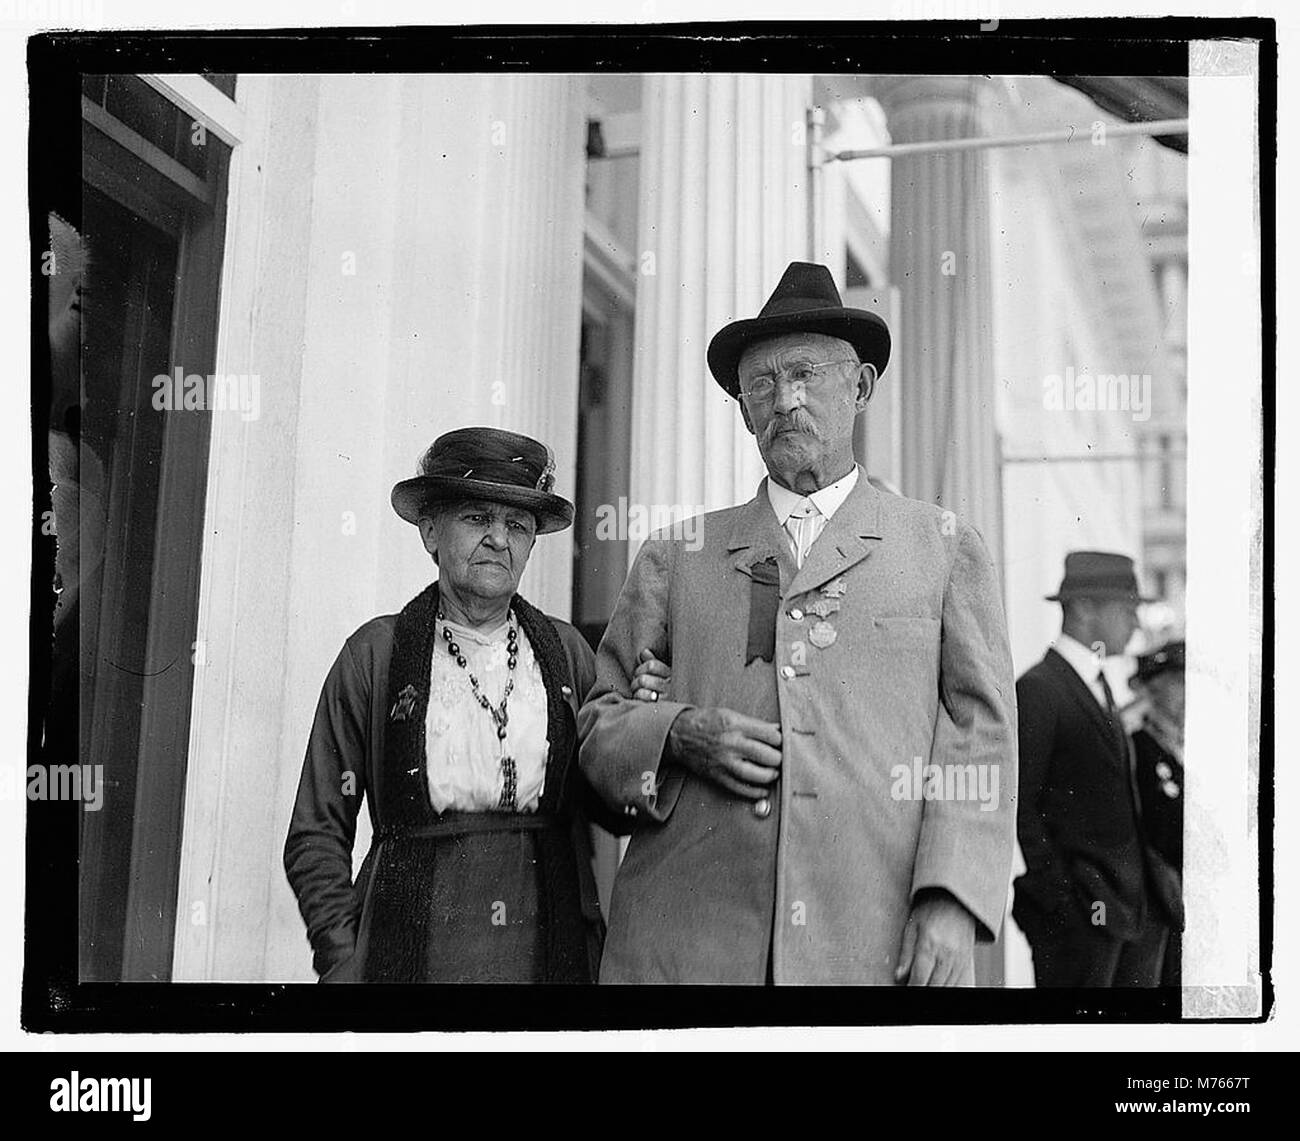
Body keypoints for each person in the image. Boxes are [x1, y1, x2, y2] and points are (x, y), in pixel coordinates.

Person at [577, 261, 1018, 985]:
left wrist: (950, 899)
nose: (785, 399)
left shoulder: (941, 547)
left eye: (807, 374)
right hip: (691, 949)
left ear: (862, 387)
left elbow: (983, 735)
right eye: (762, 385)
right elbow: (598, 728)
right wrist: (679, 732)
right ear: (746, 412)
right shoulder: (676, 556)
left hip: (875, 942)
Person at [284, 427, 627, 982]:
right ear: (429, 533)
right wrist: (341, 956)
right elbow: (316, 832)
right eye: (476, 518)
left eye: (517, 524)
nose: (498, 538)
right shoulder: (376, 654)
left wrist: (647, 717)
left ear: (533, 543)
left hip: (547, 940)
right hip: (410, 941)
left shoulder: (566, 654)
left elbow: (614, 805)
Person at [1013, 551, 1182, 986]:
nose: (1136, 624)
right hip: (1083, 921)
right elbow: (1017, 804)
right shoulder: (1040, 690)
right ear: (1085, 608)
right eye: (1127, 610)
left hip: (1129, 916)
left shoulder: (1098, 684)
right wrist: (1065, 903)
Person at [1127, 639, 1185, 986]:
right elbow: (1163, 829)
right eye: (1178, 682)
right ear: (1155, 687)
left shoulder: (1180, 751)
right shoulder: (1142, 748)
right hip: (1157, 904)